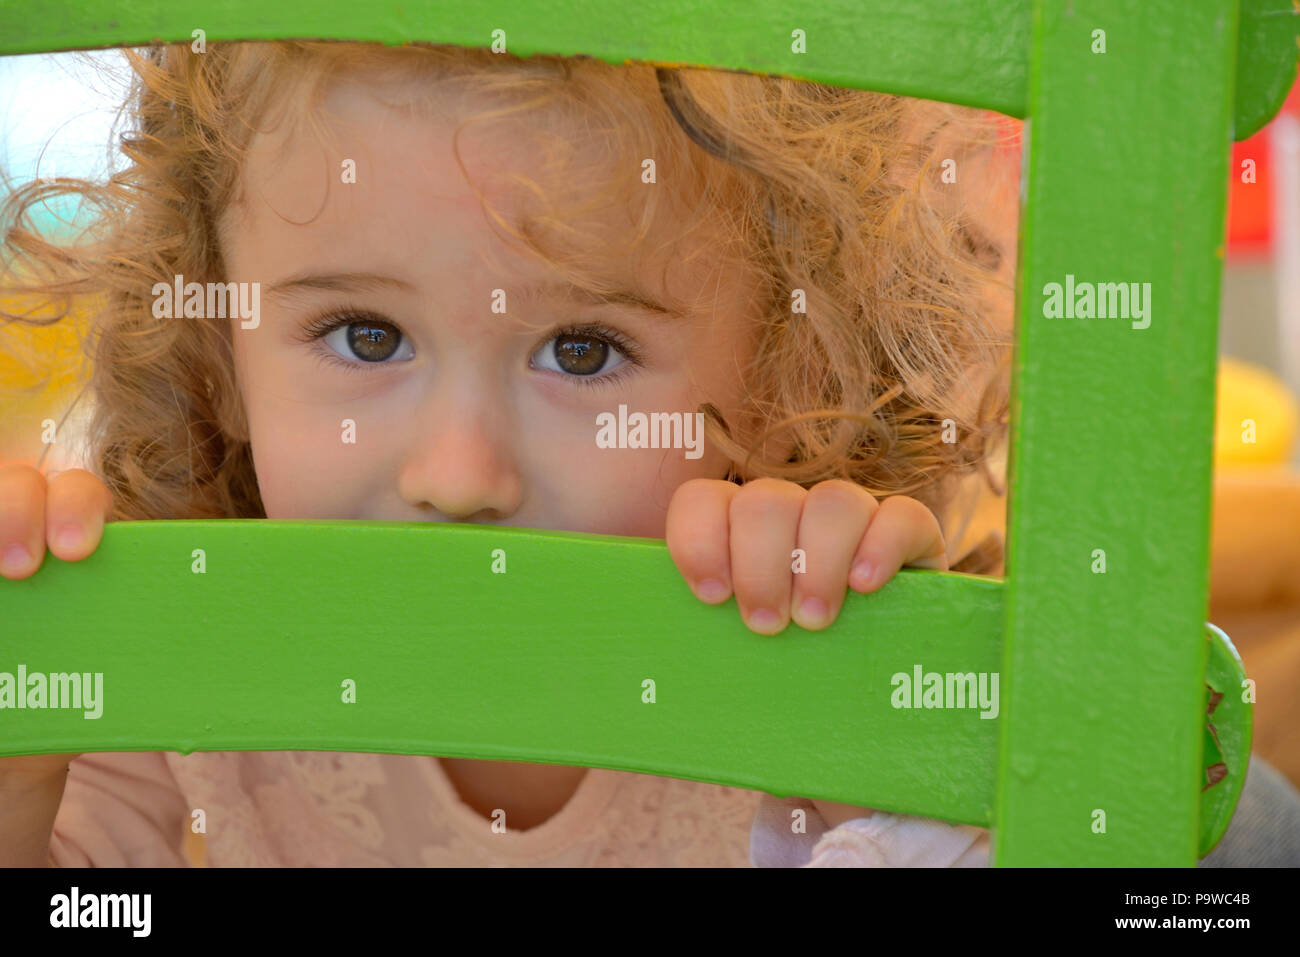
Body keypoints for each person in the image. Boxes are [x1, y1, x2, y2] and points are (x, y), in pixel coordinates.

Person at [3, 39, 1034, 866]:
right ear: (220, 355)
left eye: (581, 352)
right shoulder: (177, 648)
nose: (456, 478)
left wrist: (861, 736)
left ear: (793, 377)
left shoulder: (799, 649)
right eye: (366, 336)